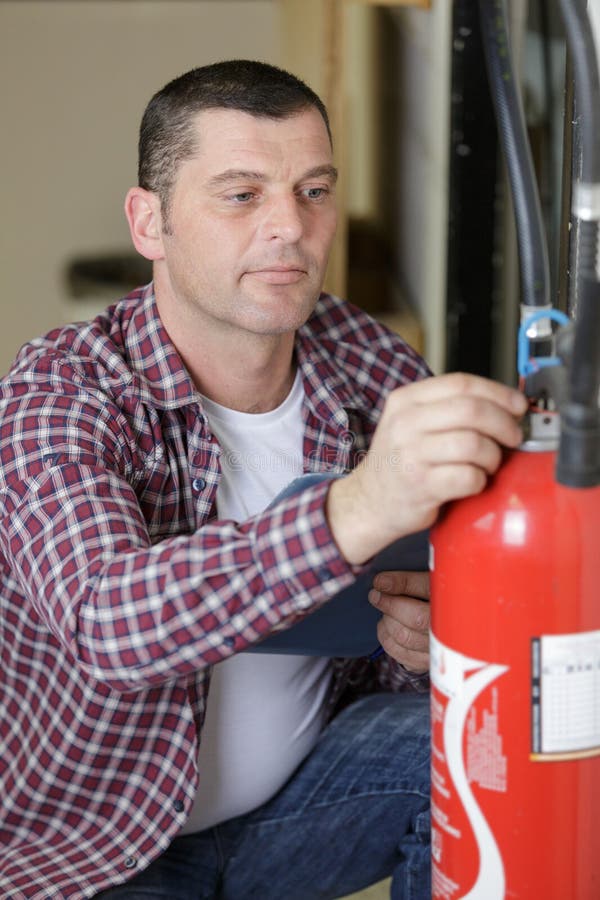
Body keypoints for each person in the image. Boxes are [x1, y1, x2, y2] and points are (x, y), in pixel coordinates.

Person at [0, 60, 527, 900]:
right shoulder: (60, 391)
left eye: (313, 191)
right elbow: (107, 621)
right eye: (241, 195)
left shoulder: (370, 365)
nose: (289, 226)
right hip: (92, 856)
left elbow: (418, 608)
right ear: (150, 222)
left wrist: (434, 644)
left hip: (295, 813)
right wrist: (349, 512)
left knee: (470, 736)